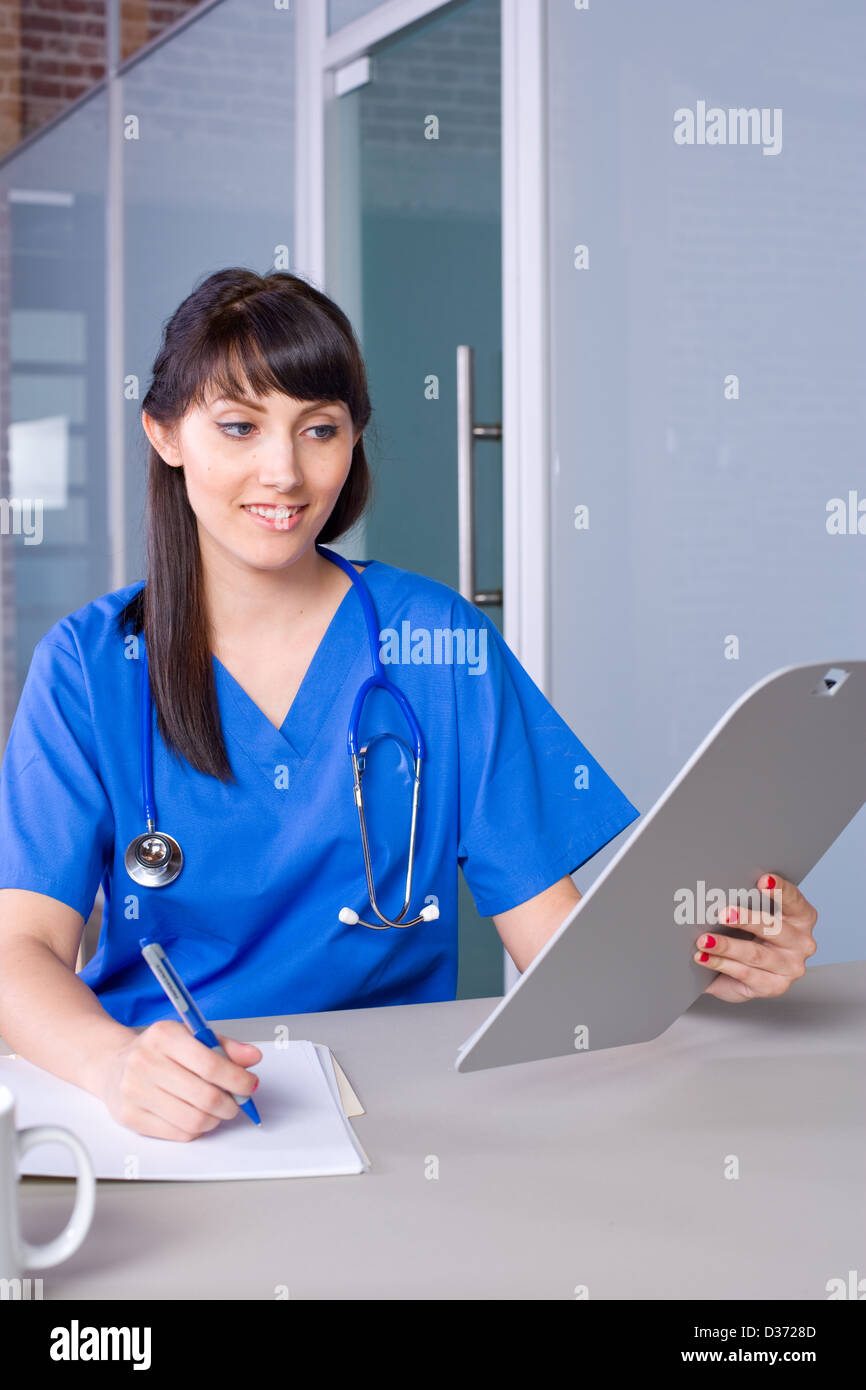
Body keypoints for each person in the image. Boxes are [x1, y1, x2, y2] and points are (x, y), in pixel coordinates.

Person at [0, 269, 818, 1142]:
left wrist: (707, 954)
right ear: (164, 434)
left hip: (401, 1108)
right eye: (239, 427)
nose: (283, 471)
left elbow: (557, 950)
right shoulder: (90, 667)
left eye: (320, 430)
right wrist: (112, 1063)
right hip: (163, 1113)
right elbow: (21, 952)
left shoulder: (438, 642)